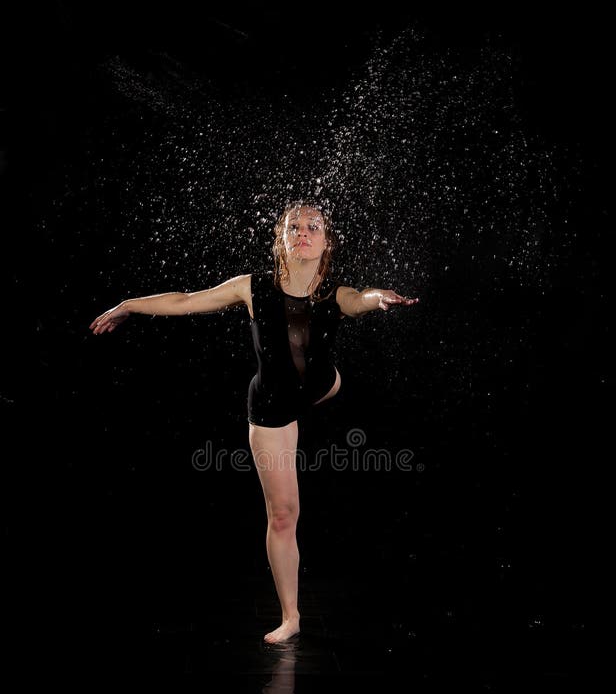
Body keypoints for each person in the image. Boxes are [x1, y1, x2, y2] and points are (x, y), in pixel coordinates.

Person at [89, 202, 419, 643]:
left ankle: (321, 396)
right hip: (272, 408)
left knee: (328, 382)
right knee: (283, 513)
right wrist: (129, 304)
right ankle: (291, 616)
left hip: (322, 388)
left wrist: (382, 298)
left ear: (327, 240)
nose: (303, 232)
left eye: (313, 227)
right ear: (281, 239)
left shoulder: (336, 293)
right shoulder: (251, 287)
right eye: (293, 227)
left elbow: (362, 299)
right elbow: (187, 301)